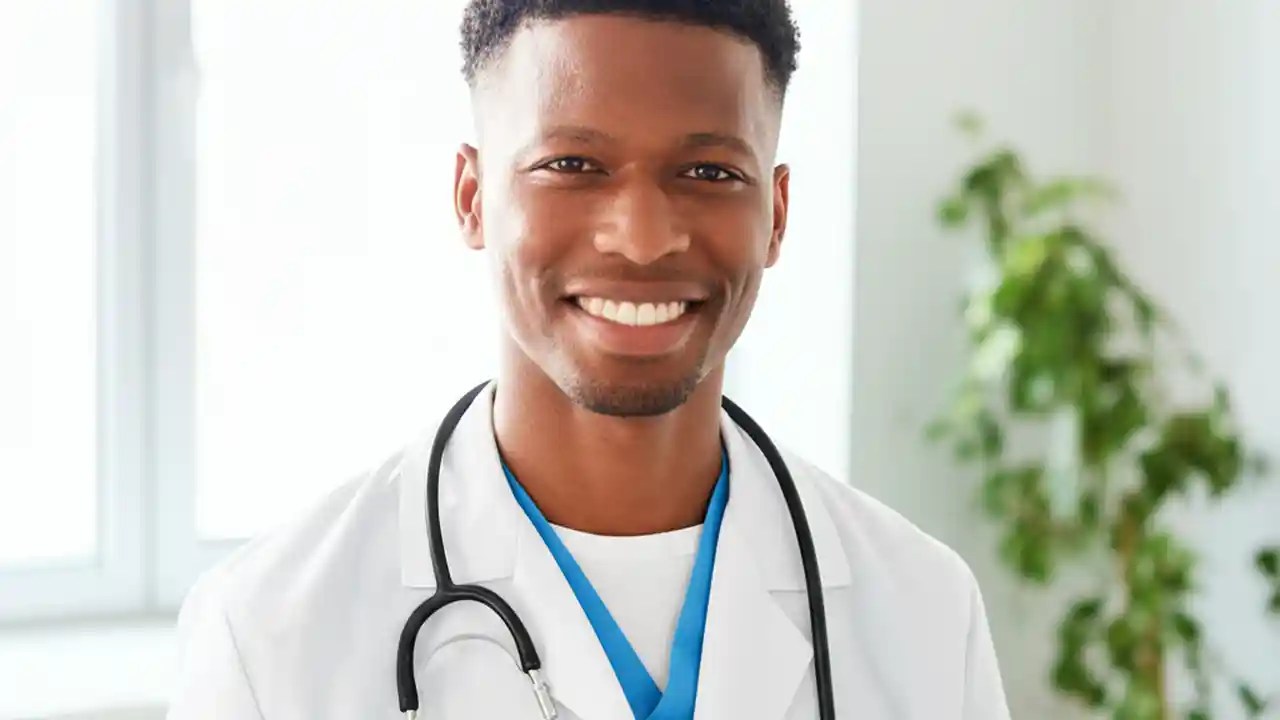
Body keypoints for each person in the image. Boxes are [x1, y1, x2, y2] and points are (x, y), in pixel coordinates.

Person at [167, 1, 1011, 718]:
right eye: (571, 165)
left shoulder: (926, 615)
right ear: (473, 198)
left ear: (777, 213)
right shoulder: (269, 641)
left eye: (709, 171)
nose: (642, 240)